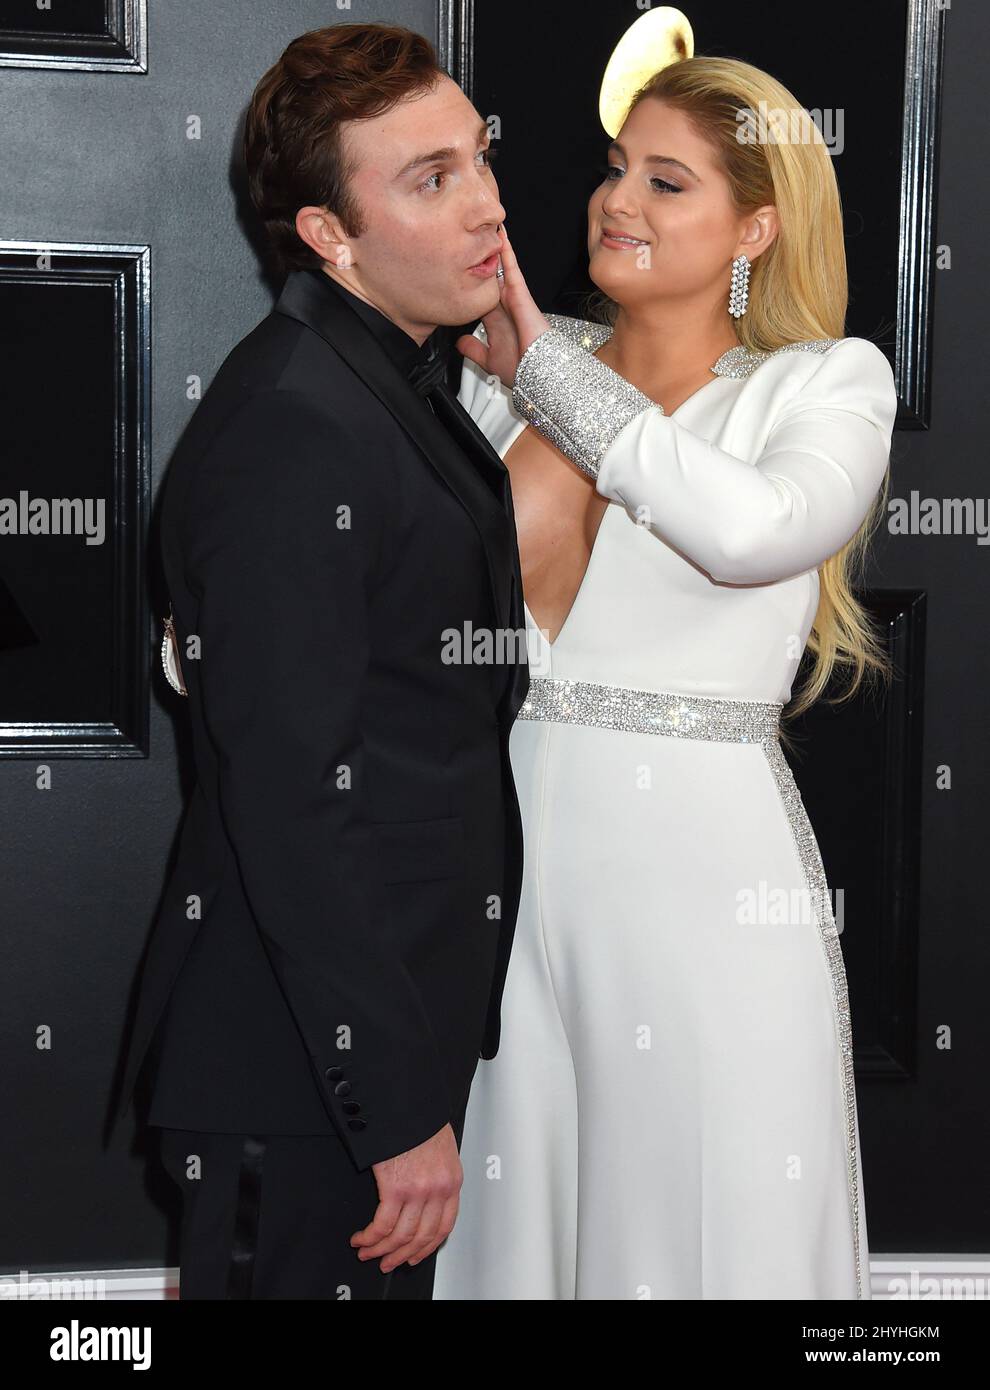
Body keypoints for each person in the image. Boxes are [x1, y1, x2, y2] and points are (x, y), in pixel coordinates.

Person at [432, 55, 897, 1300]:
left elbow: (752, 531)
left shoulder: (825, 383)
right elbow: (370, 590)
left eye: (665, 179)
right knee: (512, 1237)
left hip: (707, 900)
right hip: (504, 887)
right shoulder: (495, 378)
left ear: (757, 224)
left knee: (703, 1236)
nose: (613, 201)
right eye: (612, 169)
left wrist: (551, 379)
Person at [115, 23, 529, 1299]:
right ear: (327, 237)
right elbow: (294, 796)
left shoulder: (381, 383)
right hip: (303, 1081)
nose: (487, 207)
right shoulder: (294, 427)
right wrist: (394, 1105)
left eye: (477, 159)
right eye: (429, 179)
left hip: (343, 1059)